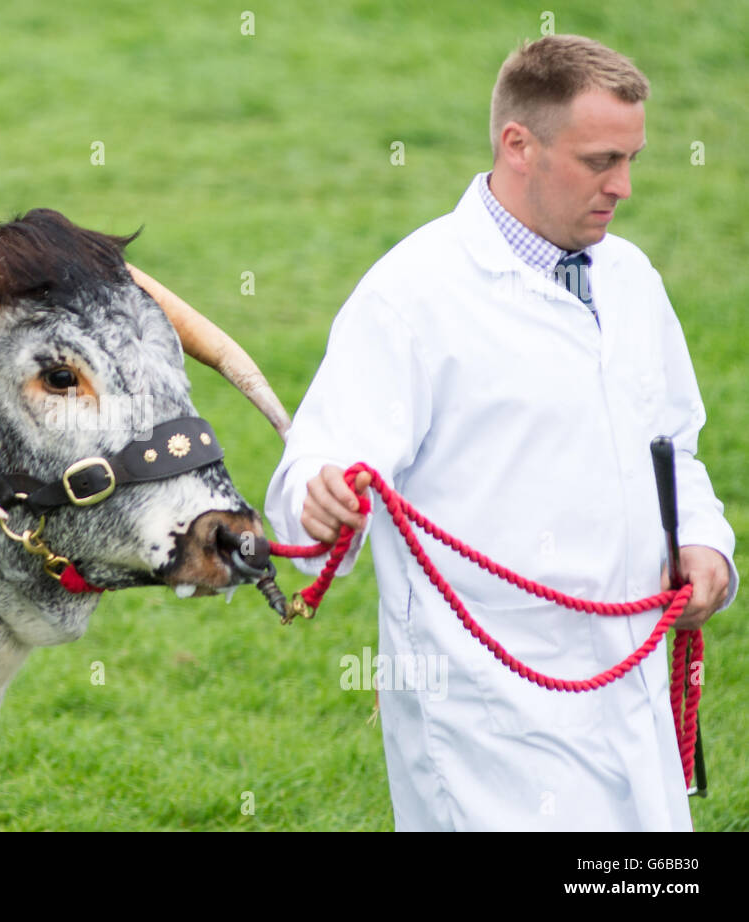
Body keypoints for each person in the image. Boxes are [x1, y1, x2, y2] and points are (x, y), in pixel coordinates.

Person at [265, 34, 737, 831]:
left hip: (631, 691)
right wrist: (317, 500)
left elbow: (673, 444)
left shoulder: (631, 279)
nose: (622, 187)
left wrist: (703, 539)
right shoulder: (411, 297)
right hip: (489, 720)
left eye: (632, 159)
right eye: (599, 161)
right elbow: (317, 469)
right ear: (518, 145)